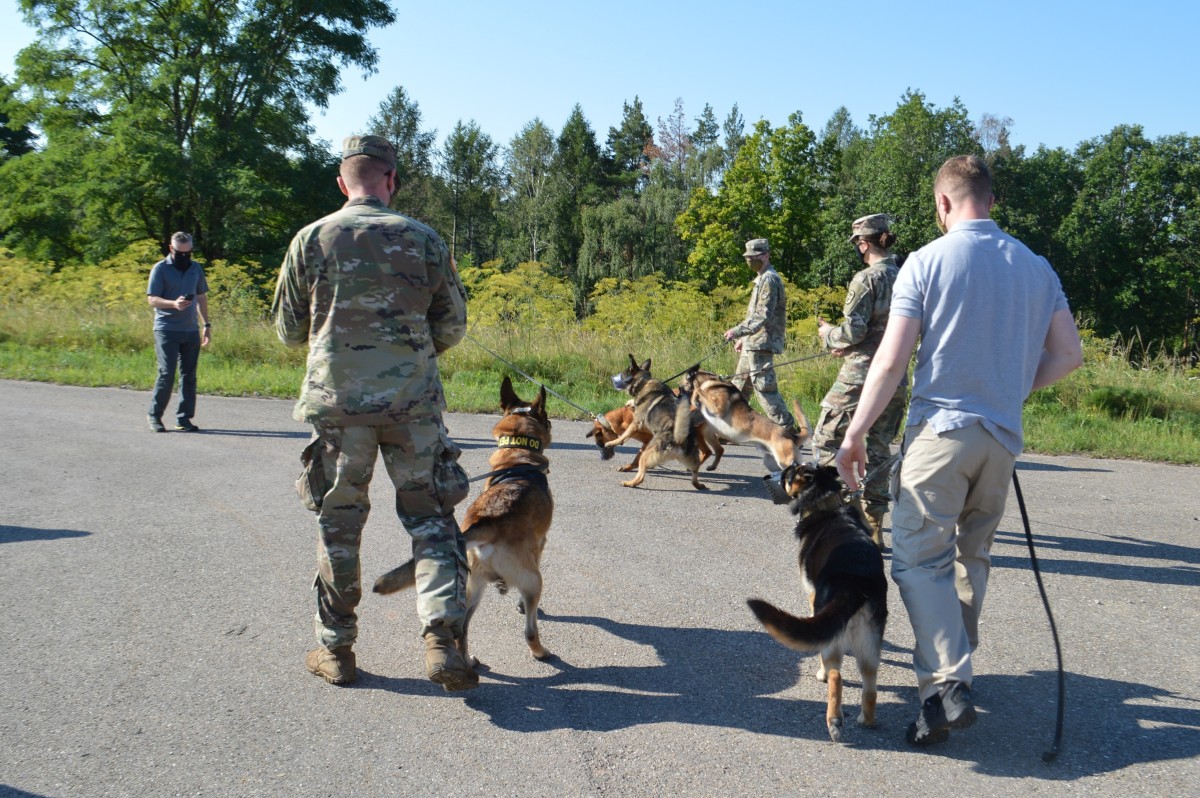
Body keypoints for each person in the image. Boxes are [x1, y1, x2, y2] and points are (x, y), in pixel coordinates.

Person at [835, 155, 1083, 747]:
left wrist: (854, 434)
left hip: (940, 435)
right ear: (991, 202)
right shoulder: (1037, 268)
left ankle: (946, 684)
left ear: (943, 204)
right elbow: (1068, 355)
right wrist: (1009, 386)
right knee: (971, 560)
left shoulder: (925, 261)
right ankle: (952, 679)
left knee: (920, 561)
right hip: (1000, 442)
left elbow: (892, 361)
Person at [272, 135, 476, 691]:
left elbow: (289, 332)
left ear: (342, 182)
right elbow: (453, 326)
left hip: (339, 408)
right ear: (392, 181)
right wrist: (408, 356)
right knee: (432, 522)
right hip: (413, 409)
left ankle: (336, 650)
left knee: (339, 526)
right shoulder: (424, 239)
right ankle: (442, 644)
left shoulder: (311, 239)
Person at [814, 214, 908, 548]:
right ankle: (874, 525)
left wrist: (828, 336)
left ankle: (846, 514)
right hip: (896, 375)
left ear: (863, 243)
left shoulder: (866, 279)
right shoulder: (908, 276)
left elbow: (854, 329)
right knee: (880, 449)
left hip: (861, 374)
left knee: (825, 438)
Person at [723, 238, 796, 431]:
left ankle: (785, 428)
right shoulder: (761, 278)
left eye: (754, 257)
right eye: (748, 257)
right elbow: (754, 315)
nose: (750, 260)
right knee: (739, 385)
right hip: (753, 341)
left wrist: (737, 331)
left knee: (764, 387)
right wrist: (743, 338)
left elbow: (763, 314)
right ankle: (730, 428)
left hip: (763, 342)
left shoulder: (770, 279)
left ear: (766, 255)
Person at [146, 231, 210, 432]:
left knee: (189, 375)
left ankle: (183, 419)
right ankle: (155, 416)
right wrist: (174, 304)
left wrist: (207, 325)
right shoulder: (160, 269)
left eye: (188, 252)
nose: (184, 256)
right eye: (180, 253)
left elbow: (201, 297)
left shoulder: (196, 268)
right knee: (167, 373)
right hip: (166, 329)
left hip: (190, 329)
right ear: (171, 249)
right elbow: (152, 299)